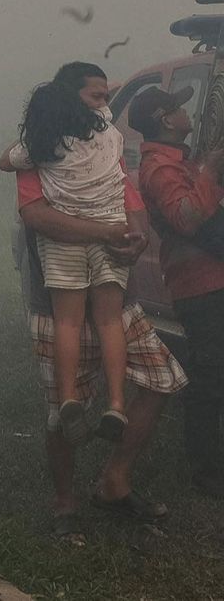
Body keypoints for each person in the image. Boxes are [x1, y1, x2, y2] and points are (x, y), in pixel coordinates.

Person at [16, 170, 185, 542]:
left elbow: (133, 205)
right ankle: (64, 503)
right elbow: (36, 216)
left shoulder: (104, 151)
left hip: (117, 301)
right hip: (56, 309)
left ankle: (114, 481)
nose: (100, 109)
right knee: (64, 410)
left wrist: (137, 238)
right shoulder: (40, 149)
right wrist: (108, 232)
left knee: (162, 379)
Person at [1, 63, 146, 443]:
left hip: (63, 242)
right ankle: (116, 403)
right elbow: (104, 113)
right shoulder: (110, 134)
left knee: (67, 322)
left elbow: (6, 161)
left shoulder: (43, 143)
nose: (104, 102)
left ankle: (68, 399)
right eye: (98, 97)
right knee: (110, 322)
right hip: (112, 232)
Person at [130, 85, 224, 496]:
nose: (188, 113)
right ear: (166, 120)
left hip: (210, 279)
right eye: (180, 108)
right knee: (209, 377)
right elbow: (186, 218)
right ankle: (208, 473)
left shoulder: (178, 162)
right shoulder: (159, 169)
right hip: (201, 285)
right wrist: (209, 172)